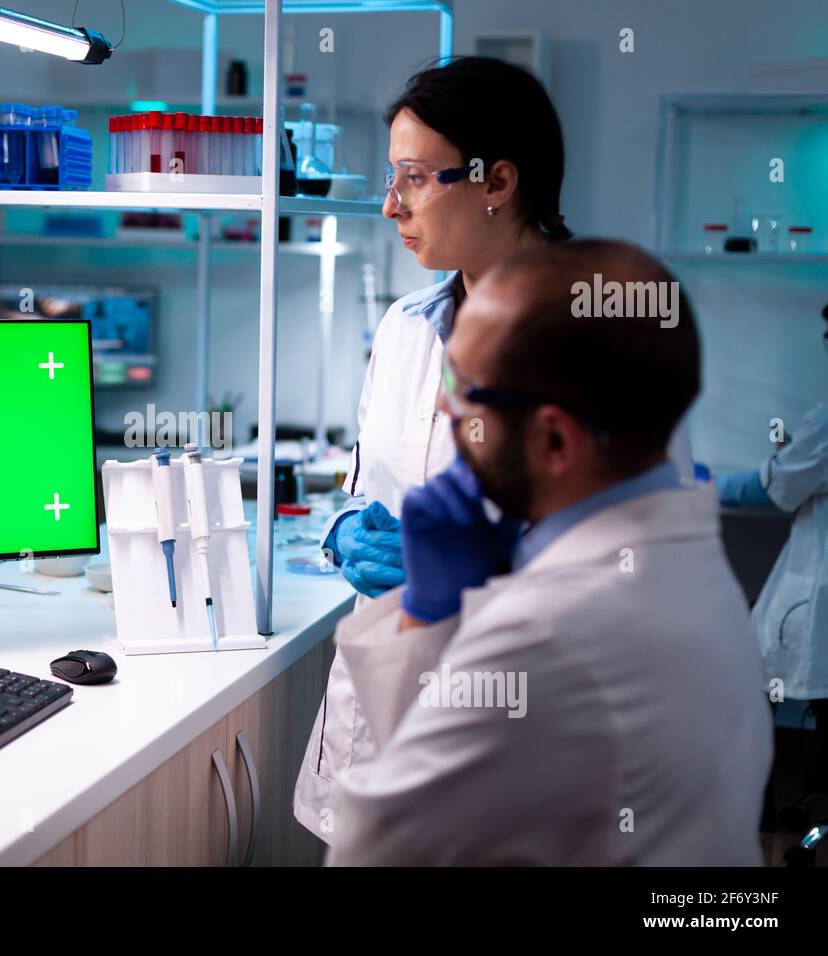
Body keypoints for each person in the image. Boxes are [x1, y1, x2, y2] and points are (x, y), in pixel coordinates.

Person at [294, 57, 693, 841]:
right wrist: (346, 529)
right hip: (383, 711)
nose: (389, 204)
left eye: (413, 178)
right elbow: (368, 483)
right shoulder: (406, 327)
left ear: (497, 182)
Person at [326, 240, 771, 865]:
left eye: (466, 389)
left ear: (555, 438)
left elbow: (375, 850)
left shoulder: (543, 631)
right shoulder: (685, 552)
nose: (442, 407)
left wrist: (428, 615)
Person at [711, 302, 828, 790]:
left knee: (750, 673)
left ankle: (752, 803)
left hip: (816, 591)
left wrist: (696, 486)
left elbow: (775, 487)